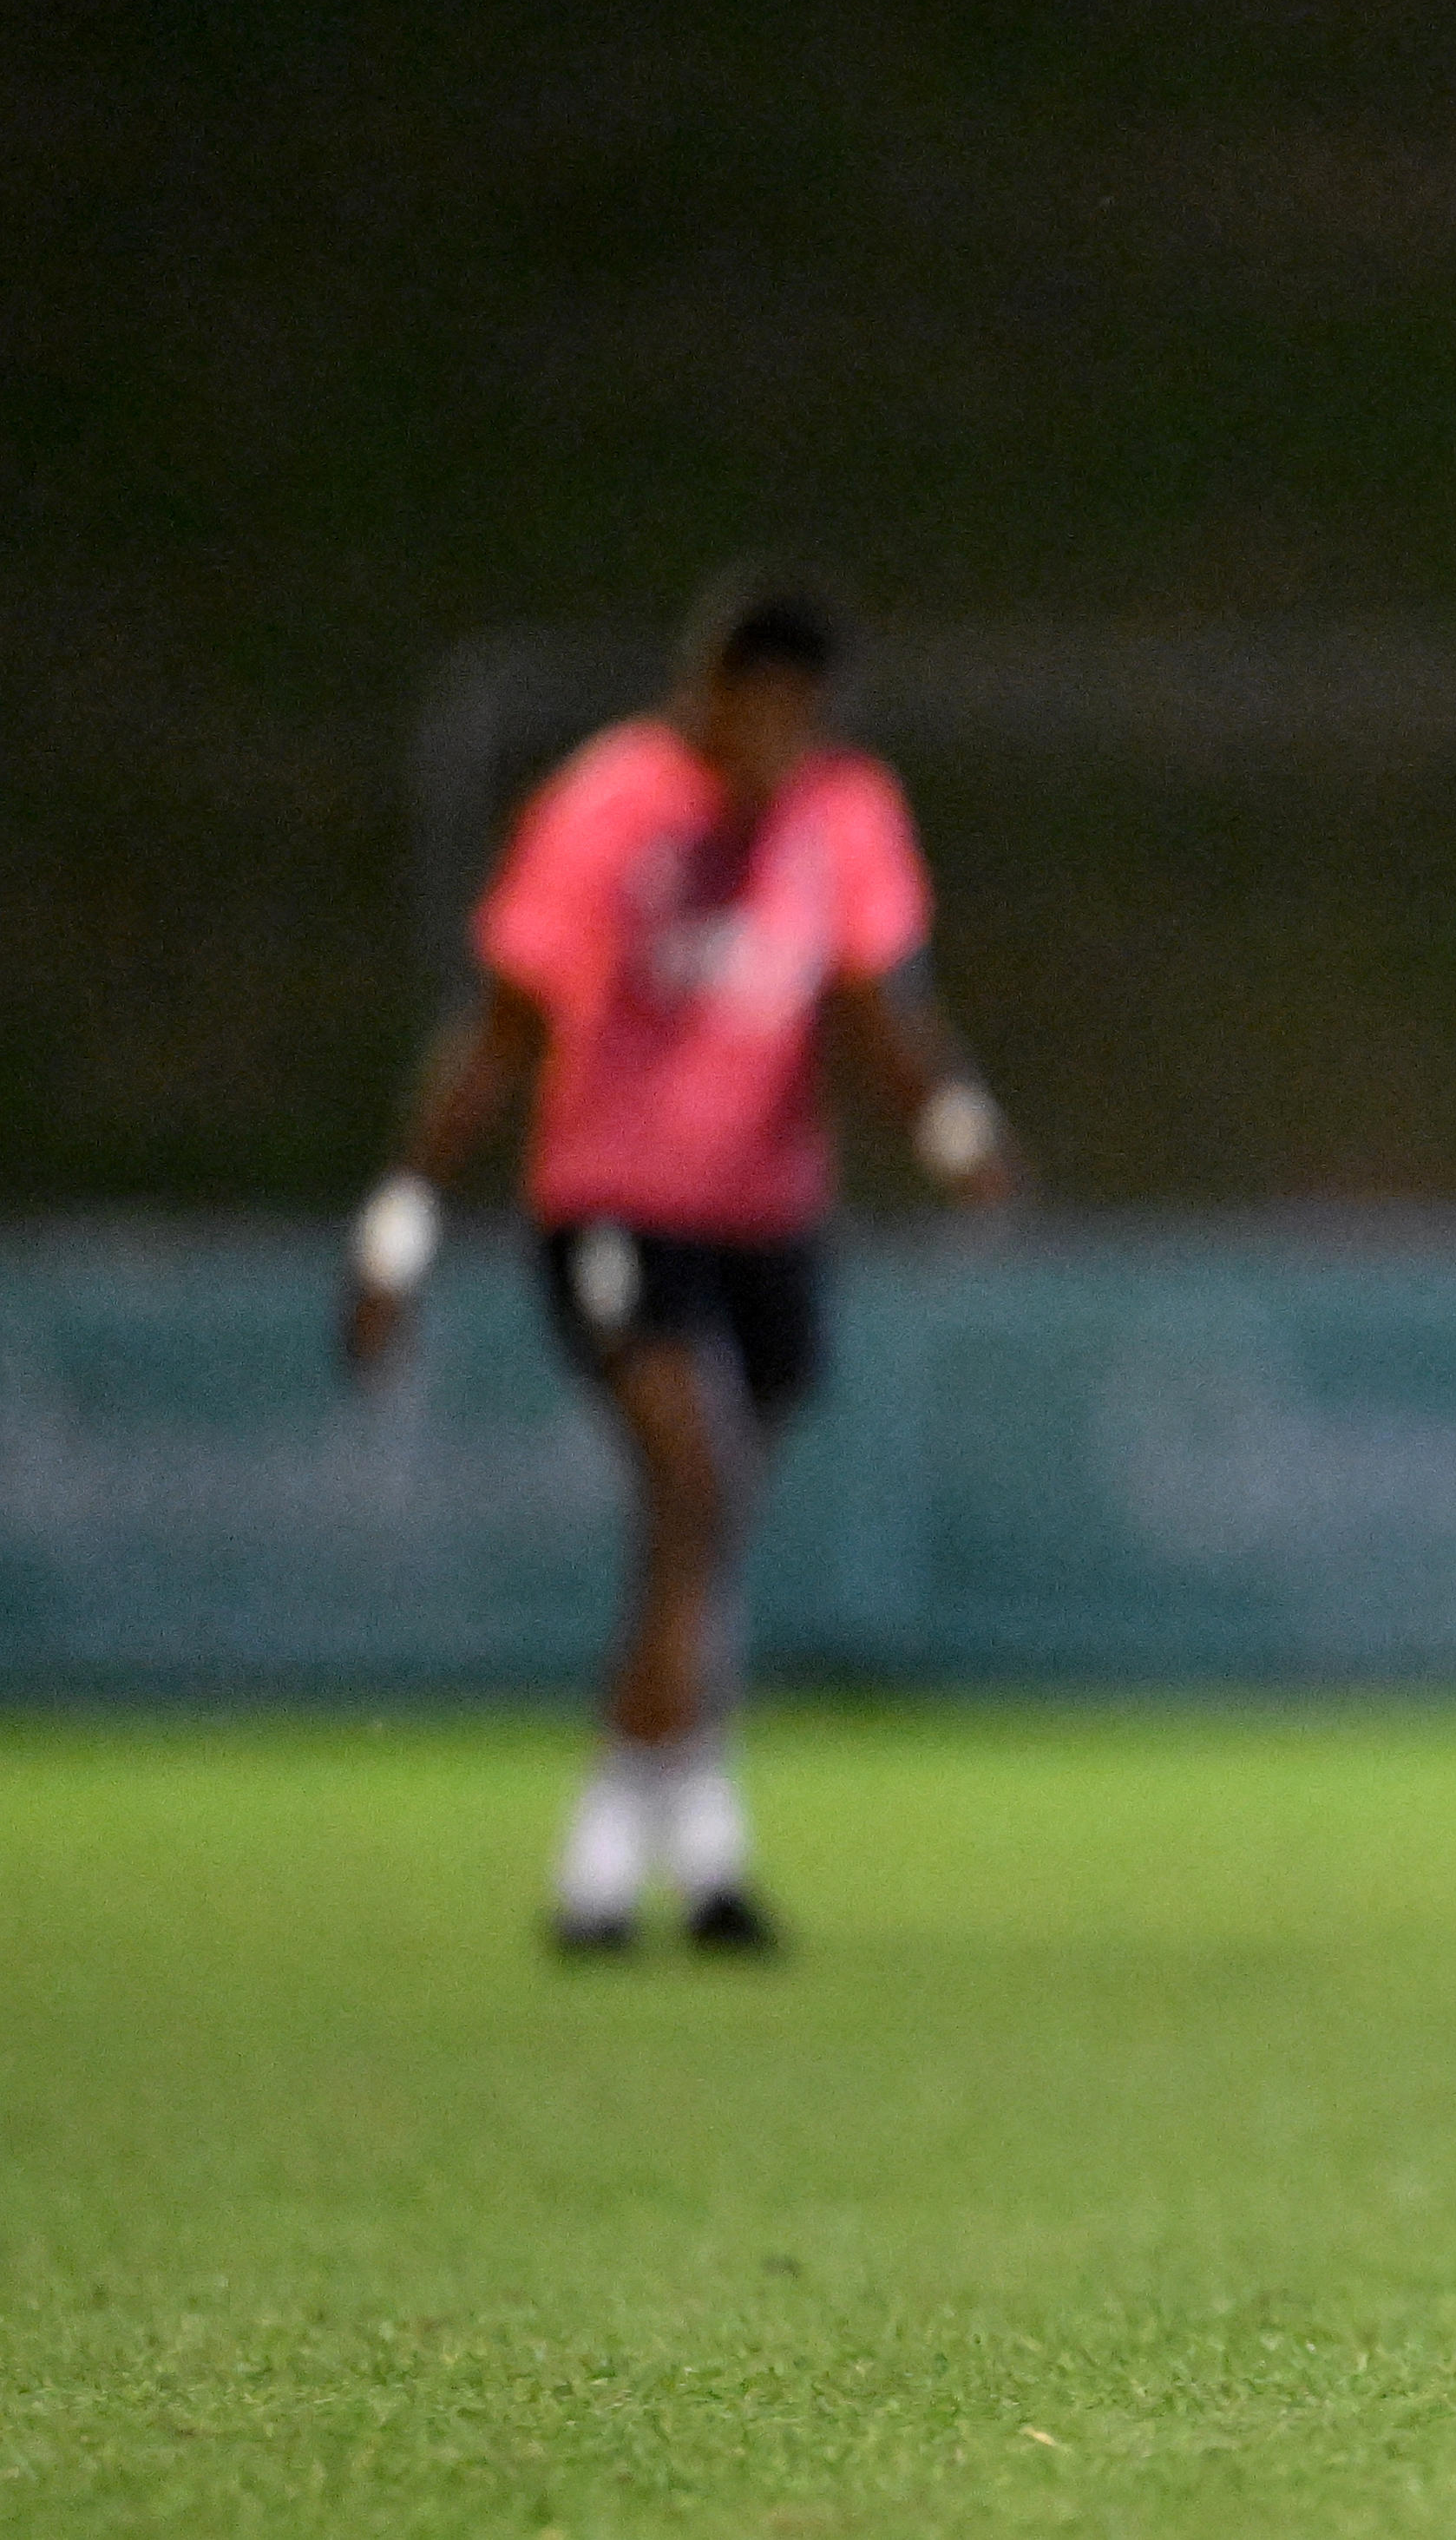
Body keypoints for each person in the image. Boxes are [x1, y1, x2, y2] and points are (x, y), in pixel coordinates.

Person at [341, 578, 1014, 1957]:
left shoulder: (846, 814)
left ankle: (688, 1842)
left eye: (799, 713)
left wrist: (954, 1125)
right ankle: (610, 1864)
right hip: (616, 1208)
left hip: (767, 1216)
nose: (774, 739)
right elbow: (503, 1026)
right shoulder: (607, 811)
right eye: (752, 705)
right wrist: (401, 1220)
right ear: (703, 695)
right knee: (692, 1485)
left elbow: (885, 1005)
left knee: (704, 1530)